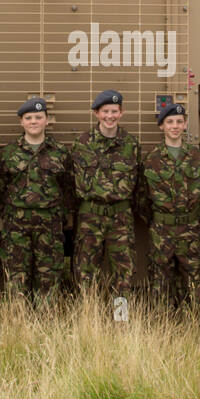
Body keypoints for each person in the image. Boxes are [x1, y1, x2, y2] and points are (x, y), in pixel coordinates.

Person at [0, 96, 72, 299]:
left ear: (47, 120)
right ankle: (17, 315)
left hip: (50, 224)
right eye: (28, 118)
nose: (33, 122)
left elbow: (68, 188)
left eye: (38, 117)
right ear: (21, 122)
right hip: (16, 224)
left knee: (49, 274)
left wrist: (60, 215)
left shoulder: (60, 153)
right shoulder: (9, 152)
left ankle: (46, 315)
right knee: (15, 273)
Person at [70, 89, 141, 298]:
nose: (110, 116)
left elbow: (139, 184)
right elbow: (70, 181)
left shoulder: (131, 144)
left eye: (114, 111)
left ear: (121, 112)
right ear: (96, 113)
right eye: (105, 111)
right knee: (85, 271)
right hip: (90, 216)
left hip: (121, 217)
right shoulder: (82, 143)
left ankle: (121, 314)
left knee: (124, 271)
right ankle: (89, 313)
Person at [136, 103, 200, 307]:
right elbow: (142, 198)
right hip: (161, 230)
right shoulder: (152, 158)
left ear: (185, 125)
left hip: (189, 229)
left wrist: (190, 219)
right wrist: (158, 220)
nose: (174, 126)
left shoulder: (195, 155)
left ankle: (193, 323)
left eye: (179, 122)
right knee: (160, 282)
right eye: (169, 122)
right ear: (162, 126)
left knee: (193, 281)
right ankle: (161, 323)